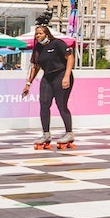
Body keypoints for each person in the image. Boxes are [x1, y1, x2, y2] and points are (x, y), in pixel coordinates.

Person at [22, 22, 75, 150]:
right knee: (44, 104)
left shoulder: (57, 43)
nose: (37, 36)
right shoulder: (38, 48)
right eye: (36, 34)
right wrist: (28, 83)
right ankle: (46, 134)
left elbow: (70, 57)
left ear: (47, 34)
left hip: (61, 74)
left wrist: (67, 76)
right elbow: (36, 67)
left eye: (40, 33)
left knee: (61, 105)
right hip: (47, 77)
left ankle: (69, 133)